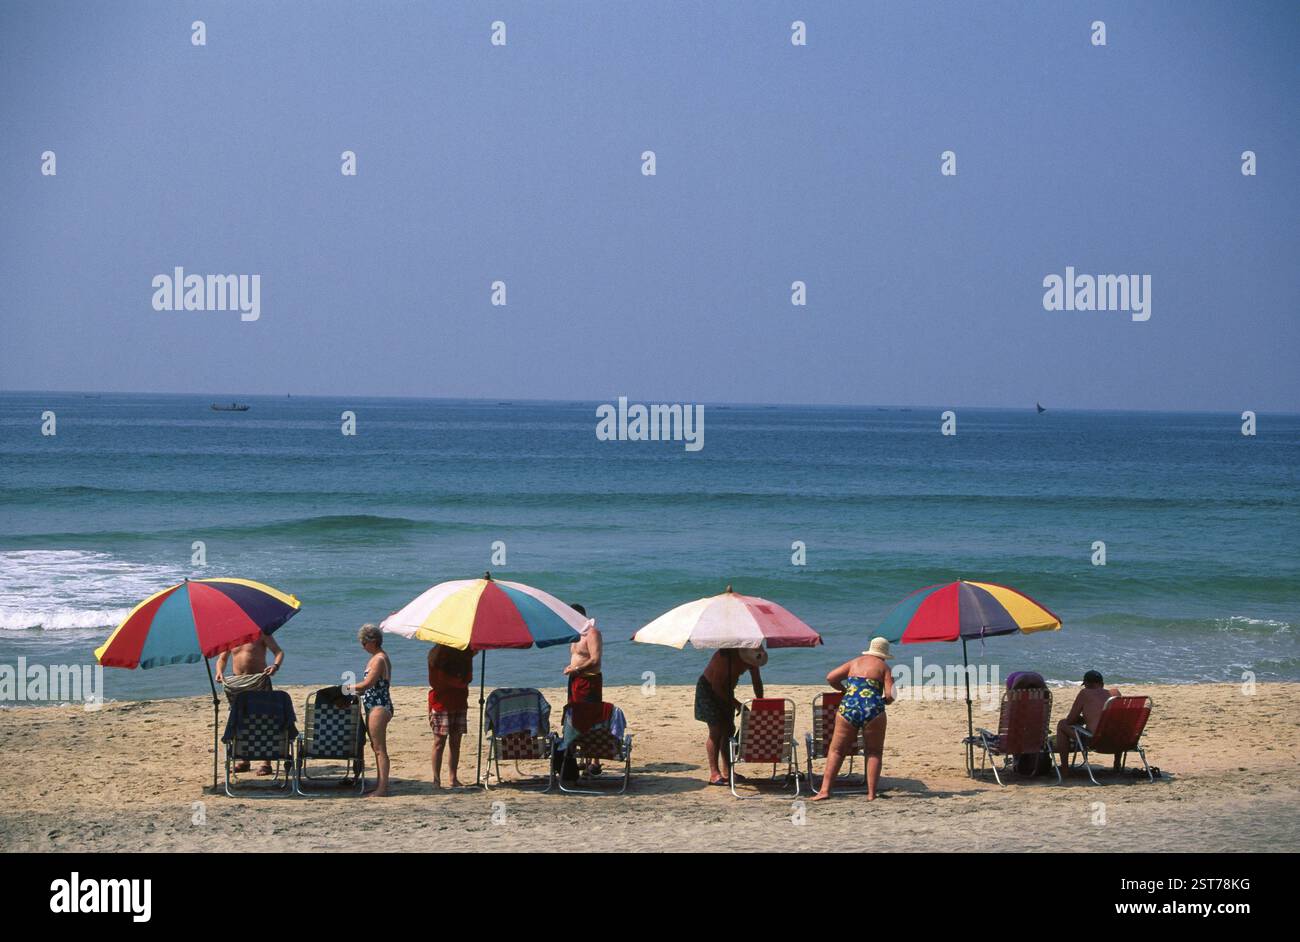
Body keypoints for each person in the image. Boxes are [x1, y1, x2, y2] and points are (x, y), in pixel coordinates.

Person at [811, 637, 895, 801]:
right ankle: (871, 794)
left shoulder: (855, 662)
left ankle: (824, 791)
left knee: (836, 750)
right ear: (884, 655)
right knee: (874, 752)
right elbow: (891, 695)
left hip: (849, 706)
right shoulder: (884, 667)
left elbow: (831, 678)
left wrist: (844, 690)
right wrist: (884, 700)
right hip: (873, 709)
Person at [214, 631, 285, 774]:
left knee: (264, 721)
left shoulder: (262, 633)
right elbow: (222, 659)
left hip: (259, 680)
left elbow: (278, 652)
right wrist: (219, 671)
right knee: (241, 721)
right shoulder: (231, 635)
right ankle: (244, 760)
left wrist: (275, 666)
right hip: (238, 683)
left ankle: (266, 763)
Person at [695, 647, 766, 786]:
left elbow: (756, 681)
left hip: (727, 690)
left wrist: (760, 702)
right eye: (748, 665)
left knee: (729, 730)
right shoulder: (725, 656)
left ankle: (728, 771)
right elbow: (717, 687)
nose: (749, 667)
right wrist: (737, 704)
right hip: (709, 689)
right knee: (716, 730)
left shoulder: (753, 657)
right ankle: (714, 774)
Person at [351, 624, 393, 797]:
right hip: (374, 704)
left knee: (379, 748)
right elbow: (369, 687)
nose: (362, 646)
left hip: (379, 706)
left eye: (364, 642)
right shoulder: (377, 657)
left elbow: (368, 684)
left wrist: (346, 688)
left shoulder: (379, 659)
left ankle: (382, 788)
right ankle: (379, 784)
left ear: (373, 641)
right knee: (375, 746)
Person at [563, 602, 604, 775]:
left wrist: (577, 669)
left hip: (589, 681)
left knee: (591, 717)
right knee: (574, 716)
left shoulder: (592, 633)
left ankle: (595, 761)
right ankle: (582, 758)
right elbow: (577, 656)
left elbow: (595, 660)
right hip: (575, 679)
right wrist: (571, 668)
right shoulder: (575, 635)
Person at [1056, 669, 1121, 774]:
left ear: (1086, 684)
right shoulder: (1114, 694)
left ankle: (1065, 769)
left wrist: (1082, 719)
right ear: (1102, 684)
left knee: (1062, 724)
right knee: (1115, 726)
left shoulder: (1085, 693)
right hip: (1120, 740)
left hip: (1096, 741)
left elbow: (1070, 720)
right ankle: (1117, 765)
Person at [427, 645, 473, 788]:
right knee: (440, 742)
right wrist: (458, 681)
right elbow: (438, 681)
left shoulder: (464, 653)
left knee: (454, 742)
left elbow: (468, 679)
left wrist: (458, 681)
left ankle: (452, 778)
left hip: (458, 701)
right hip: (442, 703)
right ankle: (437, 780)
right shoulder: (437, 654)